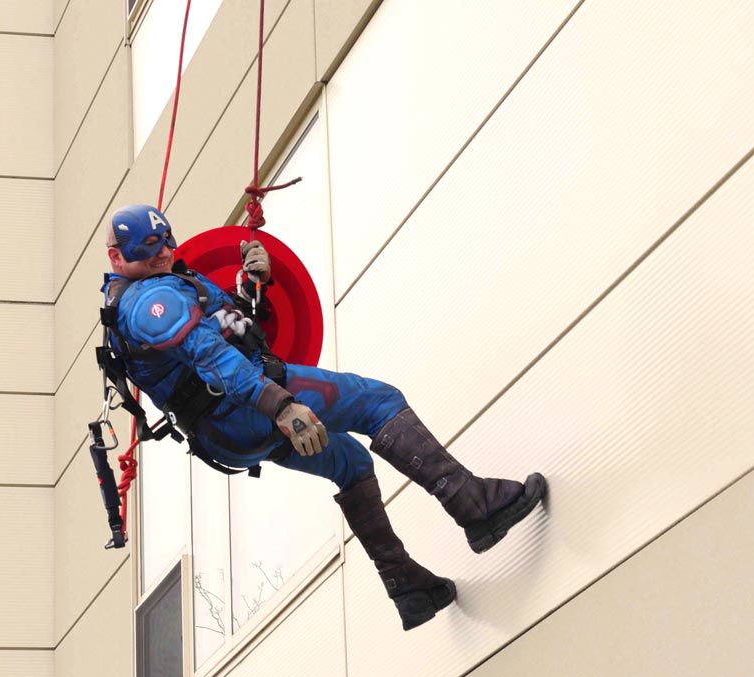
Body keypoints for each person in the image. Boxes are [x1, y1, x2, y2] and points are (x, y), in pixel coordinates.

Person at [102, 204, 546, 630]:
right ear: (117, 257)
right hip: (245, 408)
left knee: (351, 462)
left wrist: (252, 286)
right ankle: (475, 506)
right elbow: (214, 358)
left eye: (166, 240)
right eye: (147, 247)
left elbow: (230, 332)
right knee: (378, 402)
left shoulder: (160, 287)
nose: (163, 252)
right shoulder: (149, 302)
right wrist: (282, 406)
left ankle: (408, 588)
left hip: (230, 431)